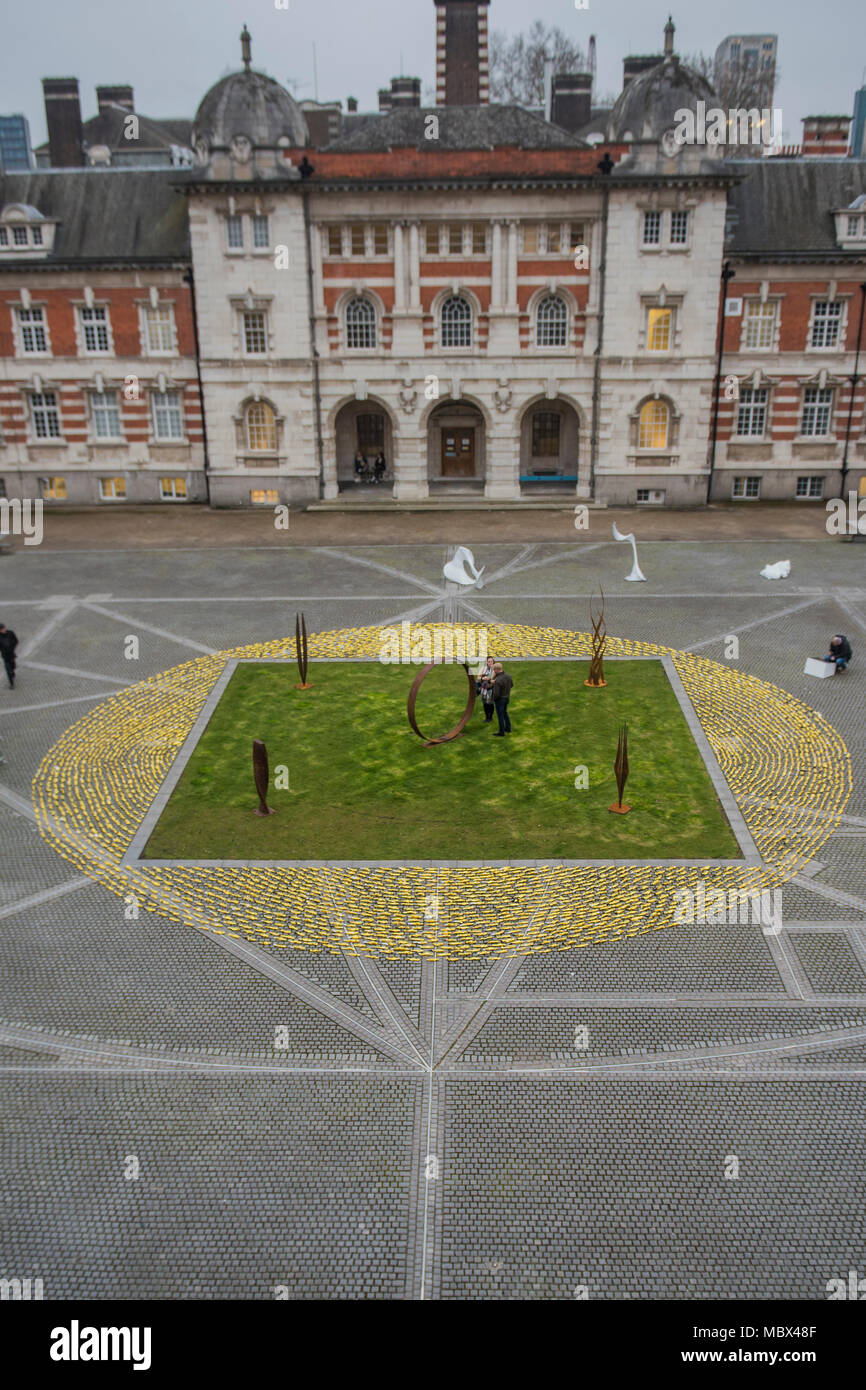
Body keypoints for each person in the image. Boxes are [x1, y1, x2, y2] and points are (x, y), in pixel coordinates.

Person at [491, 661, 513, 735]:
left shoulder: (498, 680)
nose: (494, 671)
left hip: (500, 700)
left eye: (494, 670)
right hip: (507, 698)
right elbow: (511, 685)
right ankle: (508, 728)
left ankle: (501, 732)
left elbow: (496, 694)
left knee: (500, 716)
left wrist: (494, 699)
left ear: (497, 670)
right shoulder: (508, 676)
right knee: (505, 713)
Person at [476, 655, 496, 721]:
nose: (490, 663)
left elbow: (493, 678)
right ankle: (487, 717)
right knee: (485, 703)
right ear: (486, 662)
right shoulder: (483, 668)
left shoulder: (495, 669)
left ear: (493, 662)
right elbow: (478, 677)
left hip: (491, 688)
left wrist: (488, 678)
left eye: (491, 661)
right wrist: (482, 678)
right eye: (488, 661)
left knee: (490, 703)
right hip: (484, 688)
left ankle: (491, 717)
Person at [0, 623, 18, 689]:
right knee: (8, 669)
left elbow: (16, 641)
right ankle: (11, 683)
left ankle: (12, 672)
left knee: (13, 666)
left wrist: (12, 647)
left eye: (3, 628)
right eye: (1, 629)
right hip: (5, 655)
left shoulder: (10, 633)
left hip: (11, 654)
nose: (3, 630)